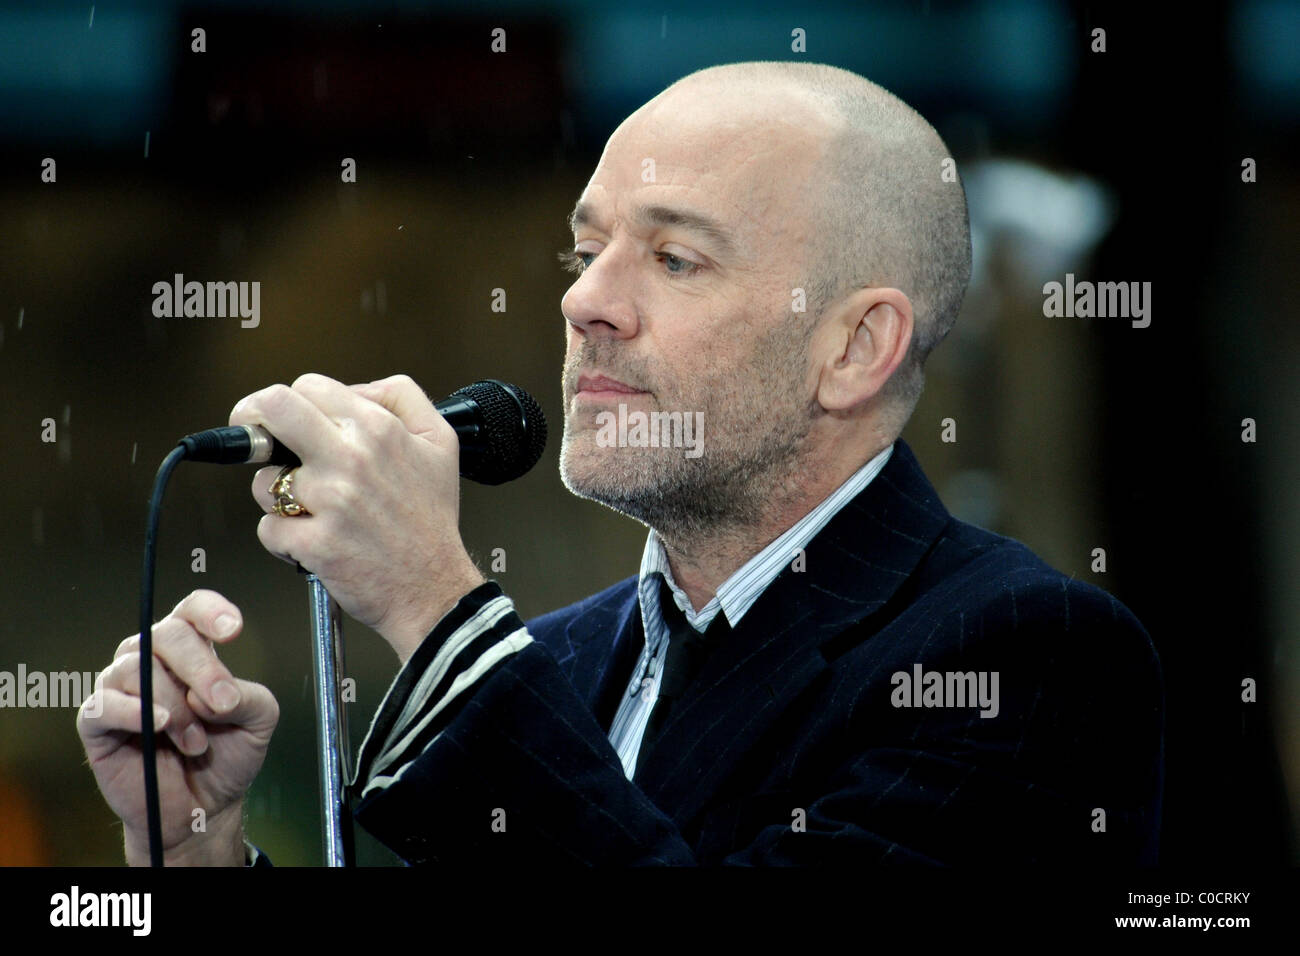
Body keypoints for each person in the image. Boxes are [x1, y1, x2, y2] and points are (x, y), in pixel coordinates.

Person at [77, 61, 1162, 866]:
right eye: (585, 248)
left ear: (854, 347)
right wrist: (198, 847)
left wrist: (431, 605)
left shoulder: (1031, 653)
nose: (582, 300)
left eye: (673, 256)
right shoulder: (559, 660)